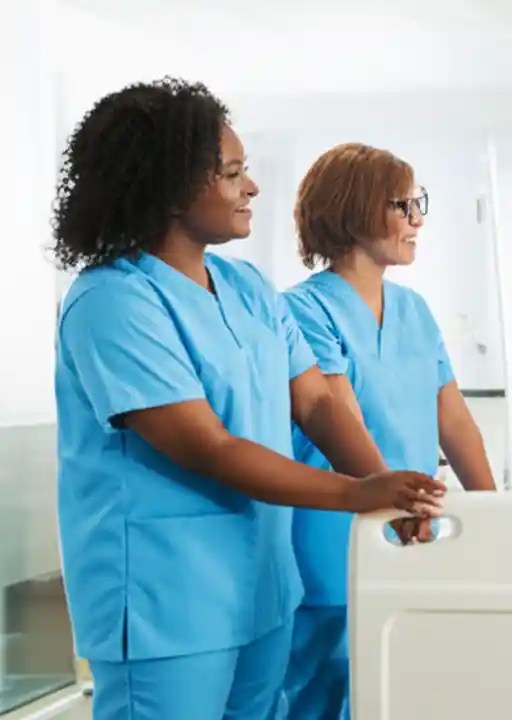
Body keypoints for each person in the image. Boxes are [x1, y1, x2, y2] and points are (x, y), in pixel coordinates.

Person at [51, 78, 443, 720]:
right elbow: (204, 444)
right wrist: (356, 495)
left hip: (260, 588)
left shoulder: (249, 288)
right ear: (171, 185)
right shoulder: (113, 302)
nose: (252, 187)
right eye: (232, 172)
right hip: (166, 601)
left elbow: (315, 403)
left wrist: (386, 486)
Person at [282, 142, 497, 719]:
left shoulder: (415, 310)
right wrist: (396, 503)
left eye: (416, 204)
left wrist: (497, 515)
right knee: (320, 696)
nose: (417, 219)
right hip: (333, 542)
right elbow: (338, 414)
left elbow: (452, 419)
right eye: (403, 205)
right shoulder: (305, 311)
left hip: (413, 532)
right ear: (354, 211)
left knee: (392, 693)